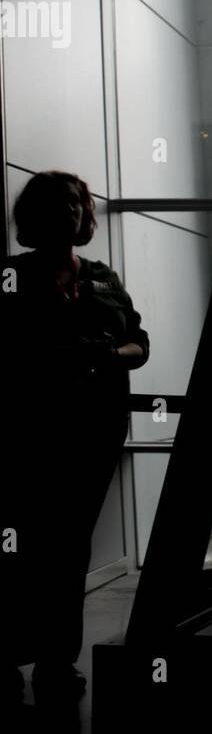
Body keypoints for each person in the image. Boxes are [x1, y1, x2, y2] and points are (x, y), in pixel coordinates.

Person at [0, 171, 149, 704]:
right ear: (35, 213)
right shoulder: (9, 277)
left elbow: (139, 342)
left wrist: (108, 355)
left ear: (85, 212)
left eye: (76, 200)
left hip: (94, 433)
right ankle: (8, 653)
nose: (70, 208)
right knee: (21, 546)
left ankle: (56, 660)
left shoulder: (105, 277)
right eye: (57, 201)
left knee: (68, 548)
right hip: (29, 436)